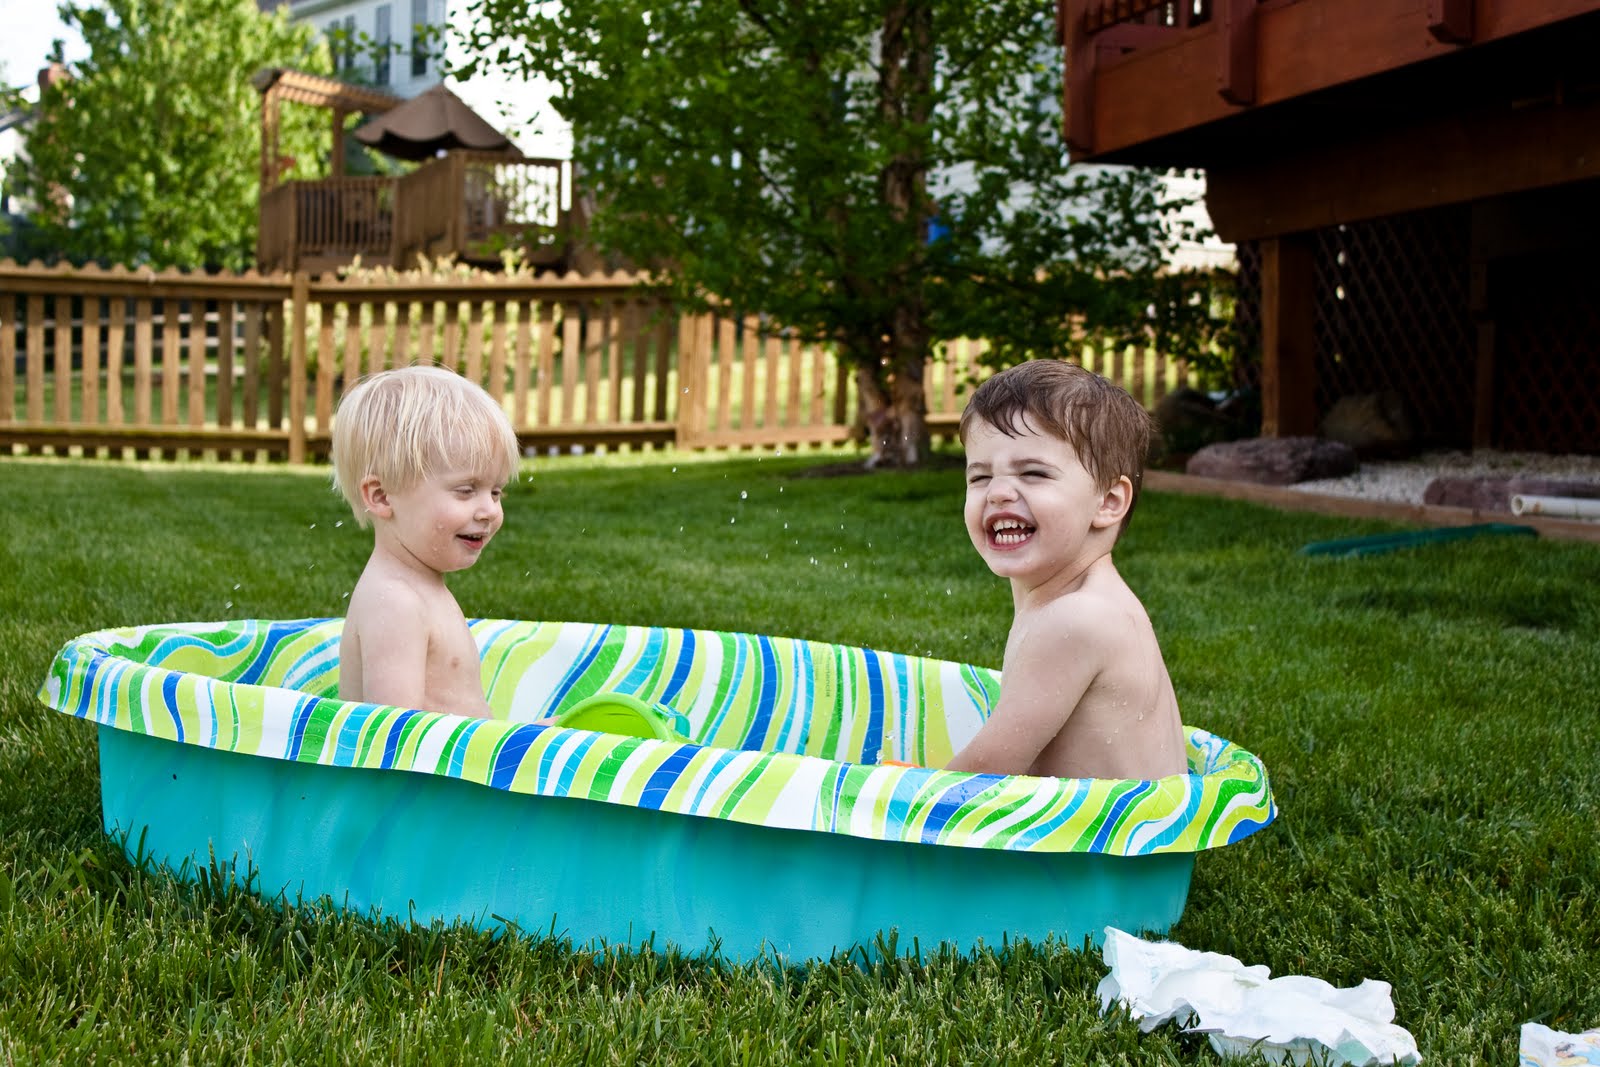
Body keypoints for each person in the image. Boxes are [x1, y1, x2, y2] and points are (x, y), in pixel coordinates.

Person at [945, 360, 1188, 780]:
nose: (999, 492)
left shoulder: (1077, 618)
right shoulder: (1075, 600)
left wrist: (887, 792)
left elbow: (981, 775)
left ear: (1109, 502)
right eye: (980, 477)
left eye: (1034, 473)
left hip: (1097, 845)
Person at [330, 365, 519, 718]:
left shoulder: (418, 586)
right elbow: (397, 738)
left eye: (495, 492)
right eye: (466, 491)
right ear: (383, 497)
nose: (489, 511)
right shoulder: (396, 603)